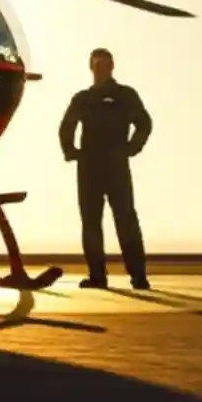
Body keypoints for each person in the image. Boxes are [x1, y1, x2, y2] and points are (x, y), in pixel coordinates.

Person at [58, 47, 152, 290]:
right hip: (89, 167)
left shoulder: (125, 95)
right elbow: (66, 126)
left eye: (105, 65)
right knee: (90, 222)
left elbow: (144, 123)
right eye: (97, 65)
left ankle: (138, 276)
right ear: (91, 68)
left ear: (112, 67)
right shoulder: (82, 98)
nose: (101, 70)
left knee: (126, 219)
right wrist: (71, 151)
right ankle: (97, 276)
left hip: (116, 166)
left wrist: (131, 148)